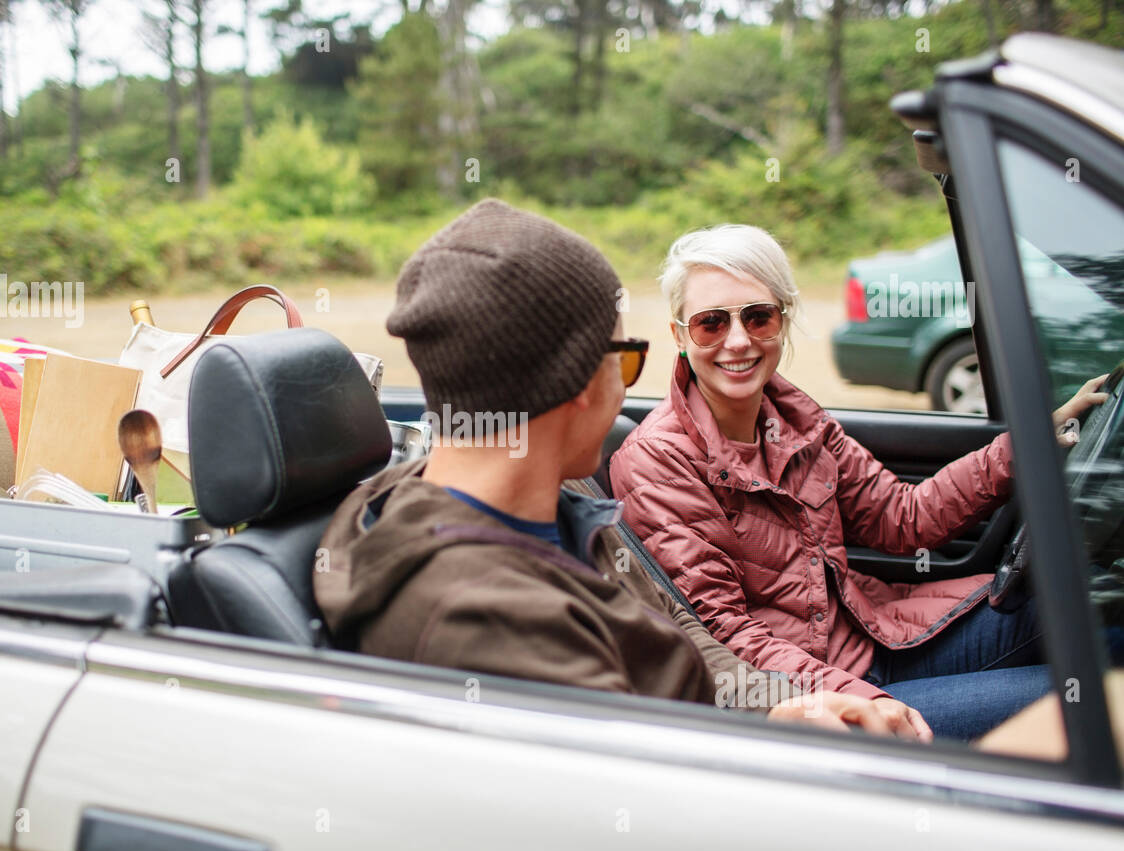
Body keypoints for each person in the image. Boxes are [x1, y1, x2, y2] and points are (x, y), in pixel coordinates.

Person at [314, 199, 931, 740]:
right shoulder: (486, 621)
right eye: (625, 358)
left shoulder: (558, 492)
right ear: (579, 382)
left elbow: (682, 635)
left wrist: (778, 709)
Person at [608, 223, 1106, 741]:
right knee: (1086, 696)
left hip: (879, 639)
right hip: (821, 699)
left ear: (783, 319)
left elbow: (904, 520)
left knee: (1094, 607)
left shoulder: (797, 418)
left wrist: (1024, 448)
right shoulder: (658, 461)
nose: (739, 340)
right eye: (711, 323)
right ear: (680, 336)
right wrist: (867, 706)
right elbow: (727, 636)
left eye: (759, 317)